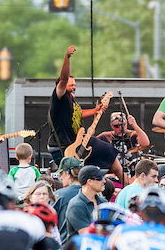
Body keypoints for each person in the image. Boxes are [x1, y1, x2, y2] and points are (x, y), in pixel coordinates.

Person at [47, 45, 124, 180]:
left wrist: (95, 110)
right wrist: (67, 57)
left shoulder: (72, 100)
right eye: (71, 85)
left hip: (75, 143)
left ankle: (120, 180)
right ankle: (122, 180)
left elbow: (78, 114)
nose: (74, 87)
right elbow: (63, 78)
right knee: (74, 176)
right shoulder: (59, 97)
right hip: (63, 147)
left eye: (75, 85)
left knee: (107, 152)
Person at [61, 165, 107, 243]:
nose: (104, 181)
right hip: (81, 249)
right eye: (100, 178)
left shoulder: (103, 202)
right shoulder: (76, 205)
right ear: (90, 182)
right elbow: (87, 235)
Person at [96, 111, 150, 177]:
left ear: (126, 123)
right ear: (111, 126)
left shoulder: (132, 135)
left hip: (132, 172)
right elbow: (90, 148)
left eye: (122, 125)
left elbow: (146, 143)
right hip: (113, 174)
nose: (120, 128)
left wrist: (135, 125)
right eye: (116, 126)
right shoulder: (105, 136)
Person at [53, 157, 84, 231]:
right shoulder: (92, 194)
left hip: (64, 237)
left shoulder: (59, 195)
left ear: (67, 174)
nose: (61, 178)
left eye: (61, 174)